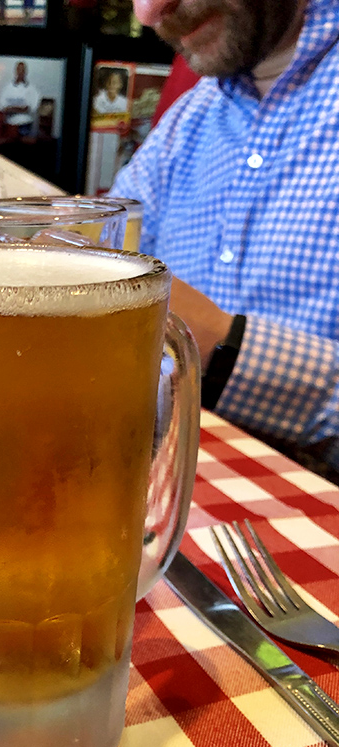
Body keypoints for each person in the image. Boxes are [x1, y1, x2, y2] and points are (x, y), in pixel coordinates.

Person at [110, 0, 339, 478]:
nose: (150, 12)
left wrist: (225, 346)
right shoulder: (191, 116)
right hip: (172, 481)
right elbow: (102, 240)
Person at [0, 61, 39, 137]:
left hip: (25, 125)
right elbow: (3, 108)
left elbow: (30, 109)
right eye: (19, 69)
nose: (20, 72)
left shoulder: (32, 89)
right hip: (9, 125)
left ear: (26, 72)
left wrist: (11, 108)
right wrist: (20, 109)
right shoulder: (7, 88)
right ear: (15, 71)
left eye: (23, 70)